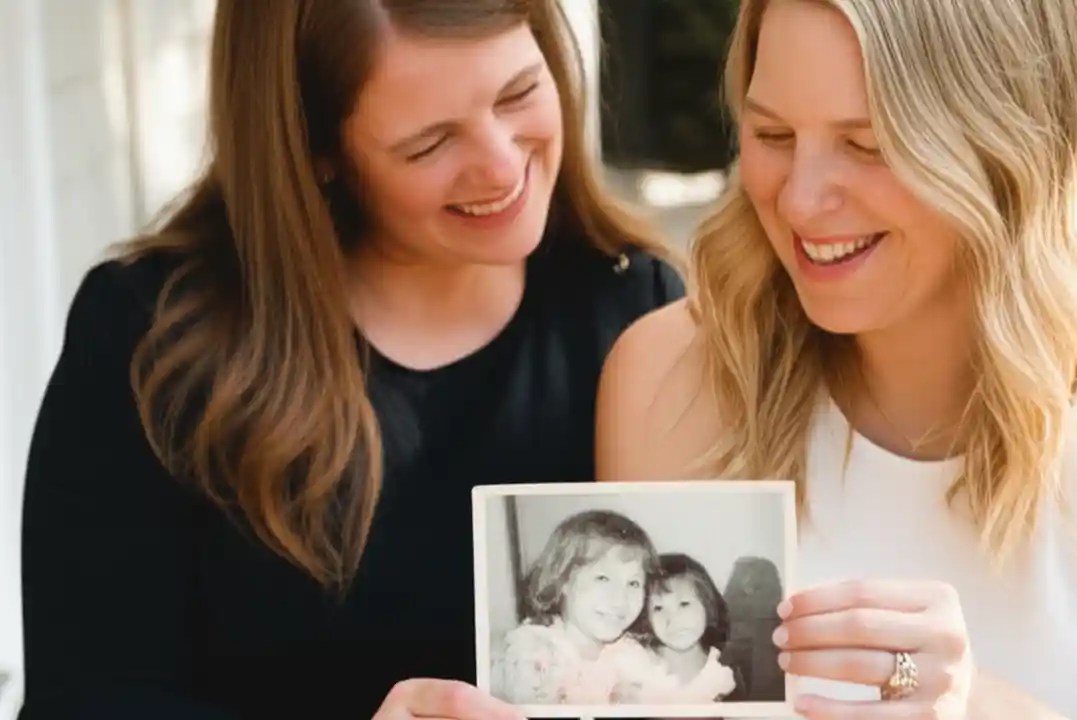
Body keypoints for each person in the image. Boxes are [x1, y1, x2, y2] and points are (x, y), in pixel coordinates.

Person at [596, 0, 1077, 718]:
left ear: (1005, 145)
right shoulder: (672, 377)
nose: (799, 198)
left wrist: (979, 706)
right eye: (773, 134)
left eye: (866, 145)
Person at [19, 1, 683, 718]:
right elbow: (81, 699)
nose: (500, 166)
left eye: (518, 93)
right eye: (429, 144)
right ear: (315, 151)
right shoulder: (151, 340)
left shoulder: (633, 311)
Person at [490, 509, 658, 705]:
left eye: (633, 583)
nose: (620, 599)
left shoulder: (633, 659)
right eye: (603, 578)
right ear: (563, 581)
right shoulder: (530, 659)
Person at [635, 553, 741, 704]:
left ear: (708, 605)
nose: (672, 620)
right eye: (658, 608)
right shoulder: (636, 666)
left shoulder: (725, 676)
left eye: (684, 604)